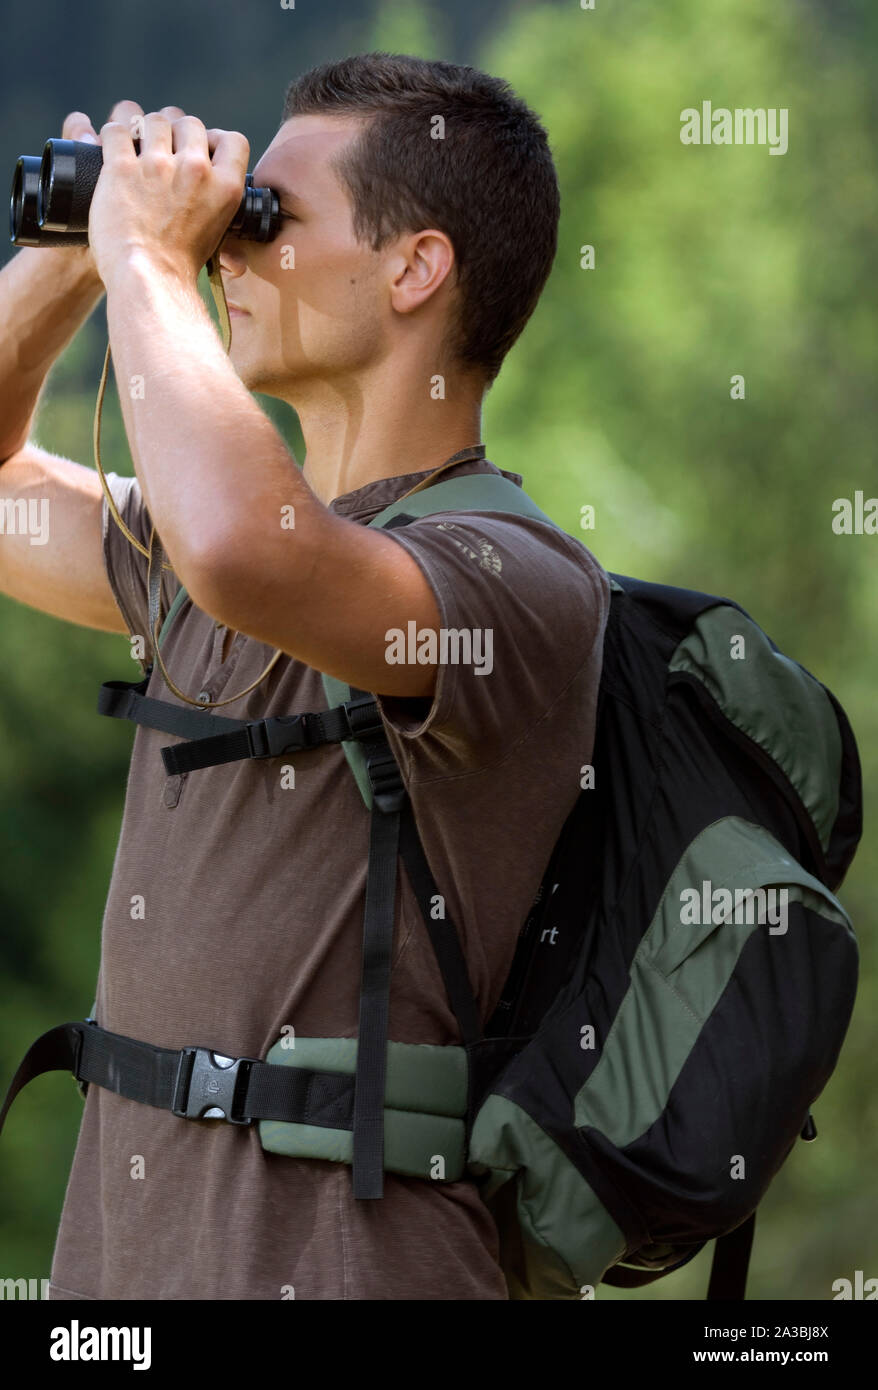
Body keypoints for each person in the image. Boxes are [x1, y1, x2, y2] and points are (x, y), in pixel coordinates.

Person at [0, 53, 609, 1300]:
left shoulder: (510, 579)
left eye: (264, 219)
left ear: (413, 269)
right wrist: (73, 260)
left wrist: (149, 261)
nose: (229, 249)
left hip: (347, 1265)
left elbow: (250, 549)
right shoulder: (198, 553)